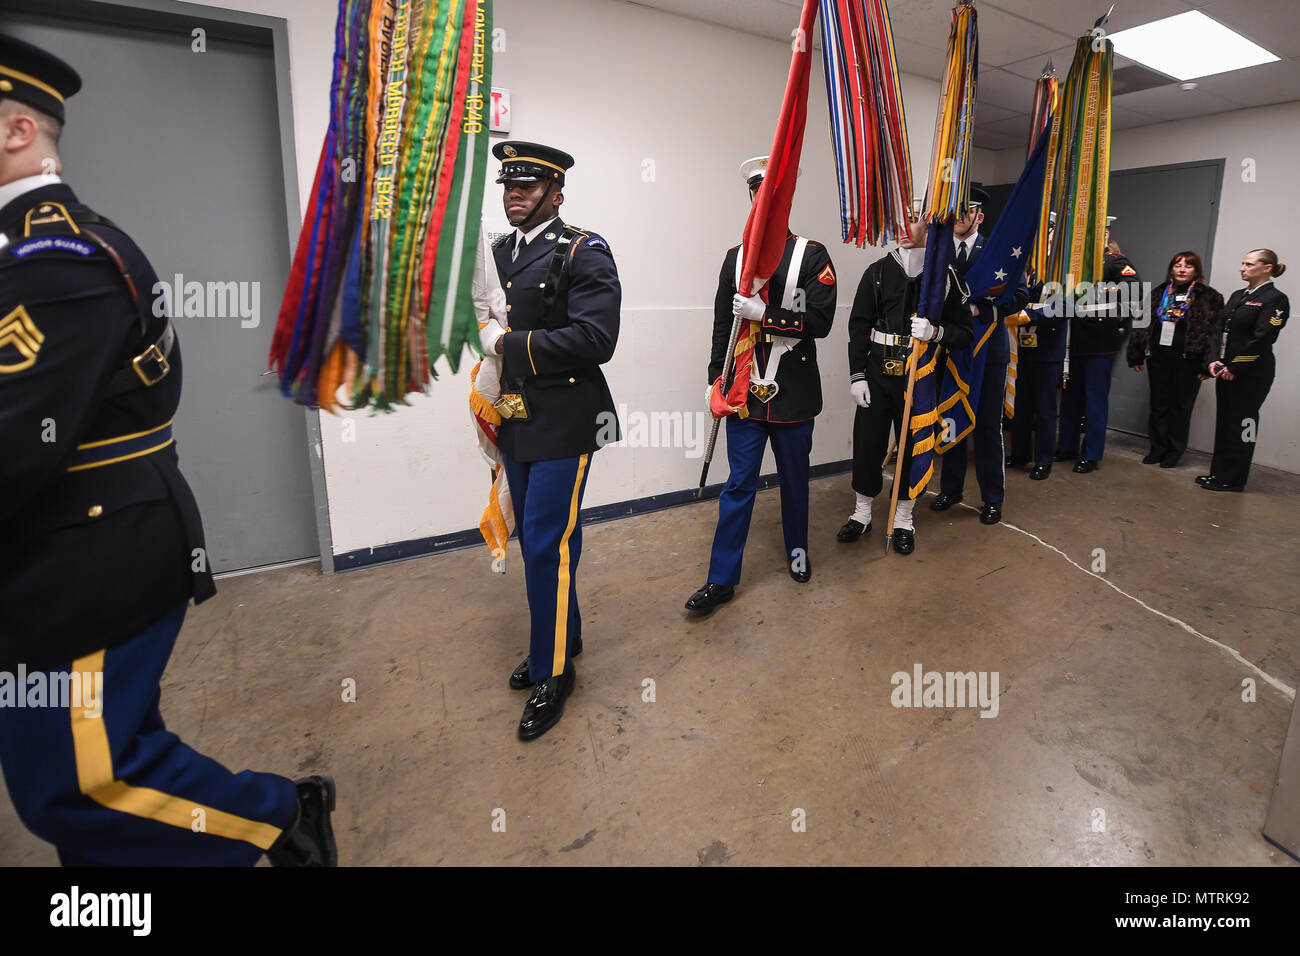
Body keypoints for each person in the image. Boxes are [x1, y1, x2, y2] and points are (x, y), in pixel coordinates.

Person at [0, 34, 335, 866]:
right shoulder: (35, 251)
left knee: (84, 785)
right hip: (72, 542)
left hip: (88, 546)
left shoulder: (54, 259)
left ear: (16, 131)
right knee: (98, 749)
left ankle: (281, 815)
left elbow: (13, 446)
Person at [484, 140, 620, 739]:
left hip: (567, 418)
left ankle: (554, 669)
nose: (514, 194)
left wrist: (505, 346)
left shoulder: (584, 249)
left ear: (556, 193)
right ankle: (566, 634)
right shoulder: (496, 254)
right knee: (548, 538)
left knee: (545, 543)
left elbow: (596, 339)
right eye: (509, 184)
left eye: (528, 186)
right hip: (516, 416)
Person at [685, 156, 837, 614]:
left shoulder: (813, 255)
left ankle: (797, 553)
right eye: (756, 194)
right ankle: (721, 578)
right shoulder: (736, 259)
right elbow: (720, 326)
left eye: (772, 195)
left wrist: (765, 315)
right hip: (744, 394)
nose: (763, 203)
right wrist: (716, 377)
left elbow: (822, 320)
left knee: (794, 482)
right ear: (751, 199)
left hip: (792, 392)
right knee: (738, 485)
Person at [839, 207, 974, 554]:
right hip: (877, 373)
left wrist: (936, 331)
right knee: (868, 443)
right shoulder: (878, 272)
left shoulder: (942, 277)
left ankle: (903, 518)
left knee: (913, 447)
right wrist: (857, 377)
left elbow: (964, 332)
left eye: (912, 216)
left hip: (919, 377)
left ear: (929, 224)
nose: (902, 224)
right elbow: (858, 327)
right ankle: (862, 512)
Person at [932, 185, 1029, 524]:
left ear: (980, 216)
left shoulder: (998, 251)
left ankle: (992, 498)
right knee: (951, 415)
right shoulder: (939, 248)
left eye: (968, 210)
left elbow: (1020, 295)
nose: (961, 217)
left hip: (989, 350)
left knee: (987, 426)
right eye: (957, 210)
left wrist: (981, 312)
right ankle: (950, 489)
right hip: (950, 347)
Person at [1197, 249, 1289, 492]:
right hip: (1225, 369)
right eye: (1242, 263)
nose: (1242, 268)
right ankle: (1218, 474)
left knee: (1243, 424)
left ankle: (1234, 478)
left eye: (1249, 264)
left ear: (1267, 268)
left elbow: (1264, 338)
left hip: (1252, 374)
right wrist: (1215, 360)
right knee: (1226, 422)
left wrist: (1236, 366)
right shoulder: (1239, 295)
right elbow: (1218, 329)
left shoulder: (1275, 299)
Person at [1057, 215, 1140, 473]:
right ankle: (1066, 447)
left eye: (1100, 232)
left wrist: (1090, 294)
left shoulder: (1116, 261)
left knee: (1094, 400)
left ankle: (1091, 454)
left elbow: (1131, 290)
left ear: (1106, 234)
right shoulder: (1071, 261)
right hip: (1073, 339)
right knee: (1070, 399)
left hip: (1100, 341)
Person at [1126, 251, 1223, 468]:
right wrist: (1136, 354)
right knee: (1158, 405)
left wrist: (1208, 365)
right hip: (1159, 359)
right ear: (1171, 269)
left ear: (1196, 271)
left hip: (1189, 362)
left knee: (1181, 408)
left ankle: (1174, 451)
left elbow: (1214, 334)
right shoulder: (1158, 293)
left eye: (1188, 266)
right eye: (1177, 265)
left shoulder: (1210, 297)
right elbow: (1141, 325)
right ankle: (1157, 449)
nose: (1181, 269)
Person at [1007, 217, 1068, 480]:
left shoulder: (1063, 266)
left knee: (1044, 409)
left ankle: (1043, 459)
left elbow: (1064, 306)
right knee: (1021, 406)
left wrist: (1029, 315)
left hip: (1048, 348)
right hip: (1021, 345)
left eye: (1048, 231)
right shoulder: (1022, 262)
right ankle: (1020, 453)